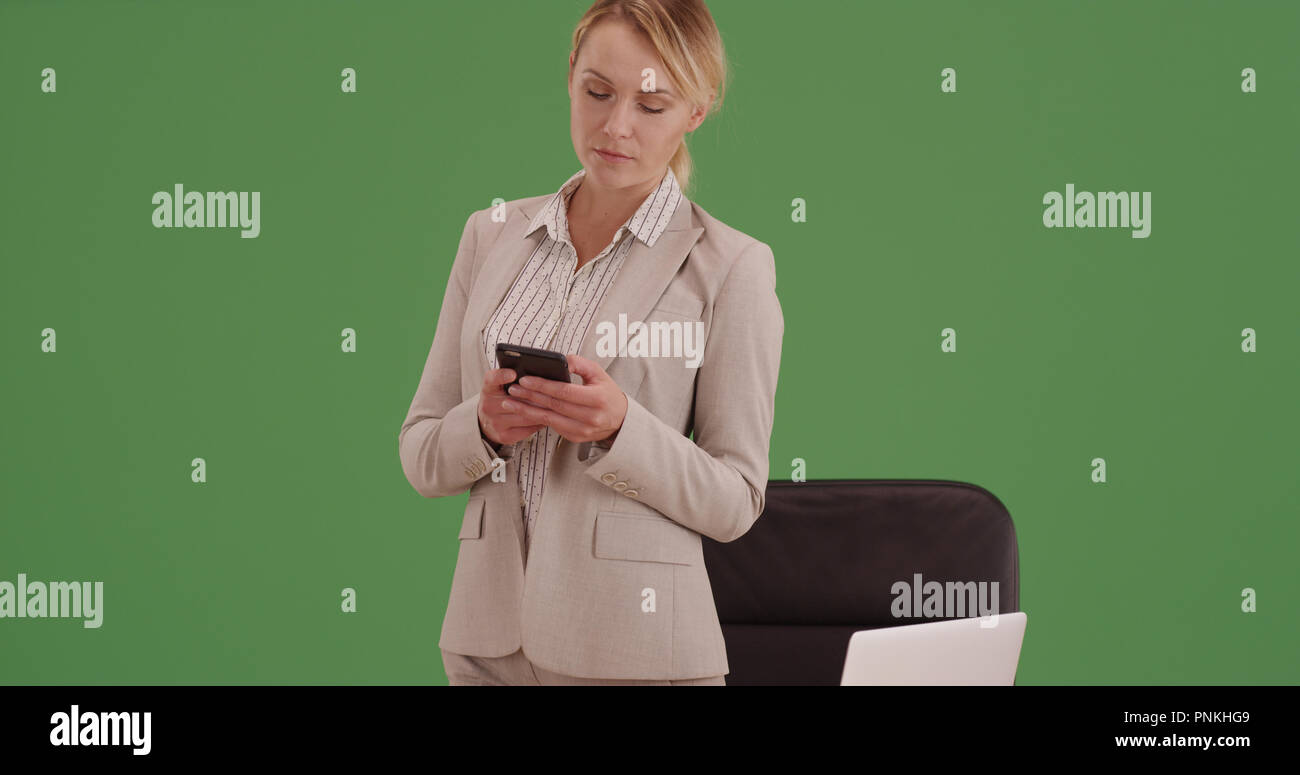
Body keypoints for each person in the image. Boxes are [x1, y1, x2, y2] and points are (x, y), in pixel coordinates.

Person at [399, 0, 783, 685]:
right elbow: (422, 451)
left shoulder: (731, 268)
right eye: (597, 92)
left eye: (652, 104)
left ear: (696, 111)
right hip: (488, 647)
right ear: (571, 76)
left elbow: (736, 500)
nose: (616, 125)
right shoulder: (488, 236)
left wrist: (622, 429)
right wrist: (483, 426)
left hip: (637, 654)